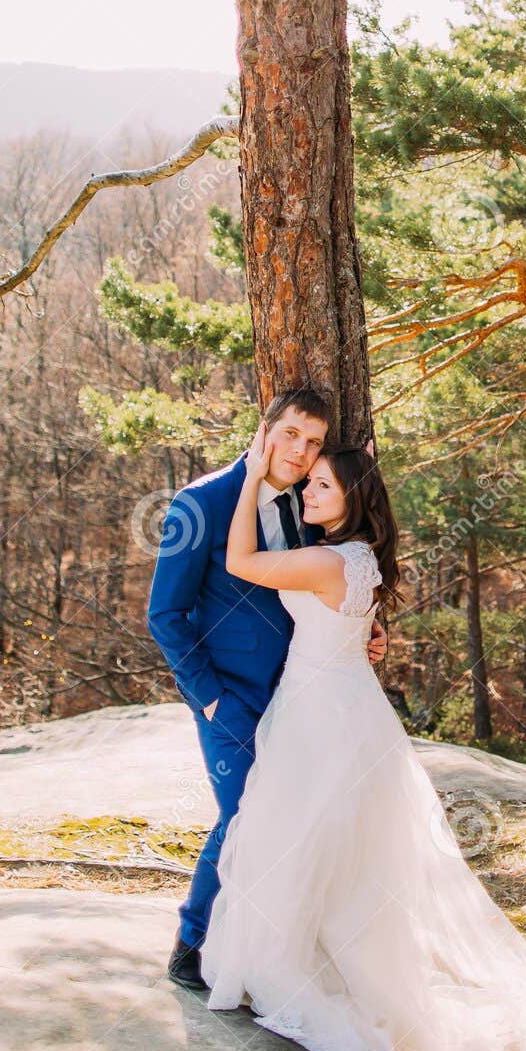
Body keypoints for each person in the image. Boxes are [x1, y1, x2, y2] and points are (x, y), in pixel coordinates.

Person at [197, 421, 526, 1051]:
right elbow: (350, 620)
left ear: (350, 498)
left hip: (320, 716)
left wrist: (255, 476)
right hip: (350, 708)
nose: (309, 492)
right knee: (338, 845)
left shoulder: (324, 560)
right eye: (308, 482)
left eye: (321, 485)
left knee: (301, 837)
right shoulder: (362, 556)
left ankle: (300, 962)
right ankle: (332, 949)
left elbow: (237, 563)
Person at [146, 387, 388, 990]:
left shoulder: (311, 508)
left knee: (293, 820)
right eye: (290, 434)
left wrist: (361, 628)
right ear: (266, 427)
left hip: (301, 694)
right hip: (228, 695)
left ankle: (271, 944)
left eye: (313, 444)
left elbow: (324, 584)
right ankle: (192, 943)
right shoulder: (200, 502)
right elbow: (165, 616)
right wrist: (208, 697)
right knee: (243, 813)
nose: (300, 452)